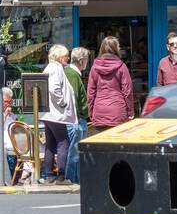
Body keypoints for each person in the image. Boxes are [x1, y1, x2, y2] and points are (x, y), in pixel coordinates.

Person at [41, 44, 78, 185]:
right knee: (64, 142)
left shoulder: (51, 67)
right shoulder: (55, 68)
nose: (67, 58)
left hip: (49, 114)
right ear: (58, 56)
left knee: (50, 144)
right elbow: (54, 88)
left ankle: (49, 176)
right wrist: (62, 103)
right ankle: (61, 176)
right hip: (56, 113)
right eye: (65, 55)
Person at [87, 36, 135, 134]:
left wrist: (91, 112)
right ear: (115, 48)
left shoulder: (94, 67)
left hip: (99, 111)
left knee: (101, 147)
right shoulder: (121, 66)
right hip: (118, 112)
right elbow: (127, 91)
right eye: (118, 46)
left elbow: (90, 92)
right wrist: (130, 112)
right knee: (117, 146)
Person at [64, 47, 91, 183]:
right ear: (81, 61)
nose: (87, 63)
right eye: (86, 60)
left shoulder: (71, 73)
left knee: (75, 151)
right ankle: (72, 179)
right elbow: (73, 97)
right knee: (75, 151)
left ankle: (75, 179)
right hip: (76, 119)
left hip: (75, 118)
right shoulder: (73, 74)